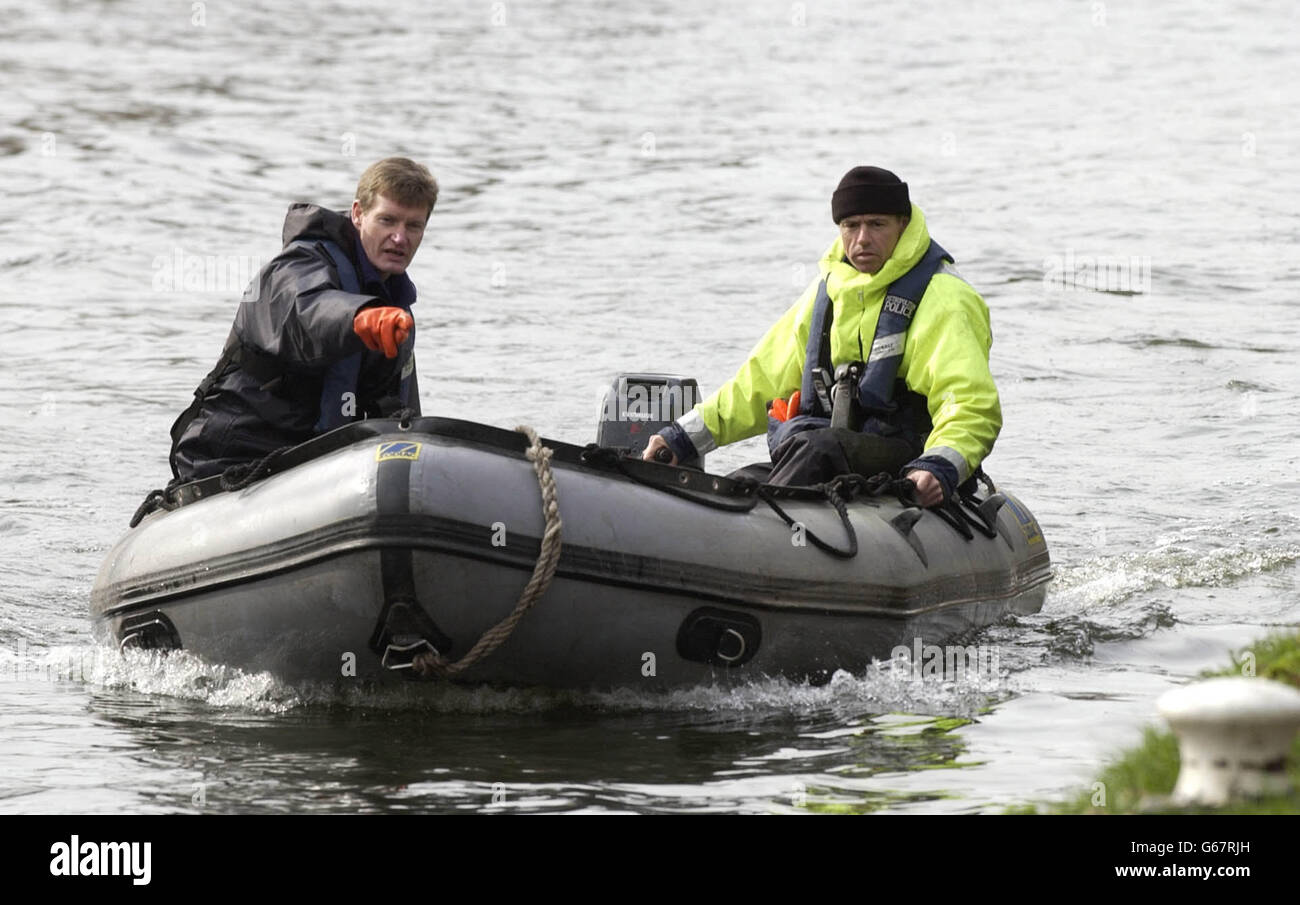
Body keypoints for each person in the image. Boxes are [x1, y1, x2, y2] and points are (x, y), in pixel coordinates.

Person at [643, 166, 1000, 508]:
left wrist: (940, 465)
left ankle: (761, 539)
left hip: (909, 460)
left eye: (877, 225)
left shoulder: (944, 298)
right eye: (851, 225)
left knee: (816, 447)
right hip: (837, 456)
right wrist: (682, 437)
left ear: (903, 225)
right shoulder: (827, 294)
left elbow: (969, 402)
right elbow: (758, 382)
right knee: (746, 478)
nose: (862, 239)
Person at [169, 157, 438, 483]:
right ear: (357, 214)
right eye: (387, 221)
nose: (399, 237)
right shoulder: (297, 266)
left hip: (315, 467)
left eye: (413, 226)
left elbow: (401, 414)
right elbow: (307, 310)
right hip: (234, 458)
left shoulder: (396, 311)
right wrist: (358, 318)